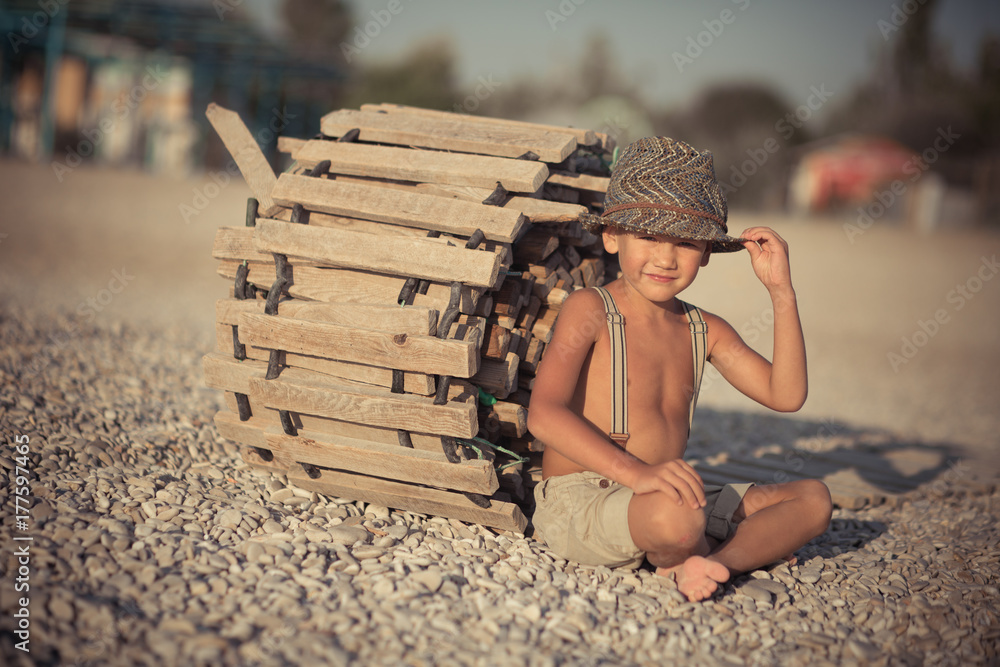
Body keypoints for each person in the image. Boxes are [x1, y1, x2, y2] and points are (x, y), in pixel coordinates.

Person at [527, 136, 833, 602]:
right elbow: (543, 416)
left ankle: (711, 563)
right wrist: (638, 475)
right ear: (612, 236)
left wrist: (781, 292)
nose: (666, 258)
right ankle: (696, 549)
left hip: (665, 490)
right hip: (586, 497)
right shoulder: (590, 309)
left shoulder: (702, 329)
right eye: (648, 235)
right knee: (679, 518)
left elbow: (786, 395)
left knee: (813, 500)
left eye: (685, 243)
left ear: (707, 252)